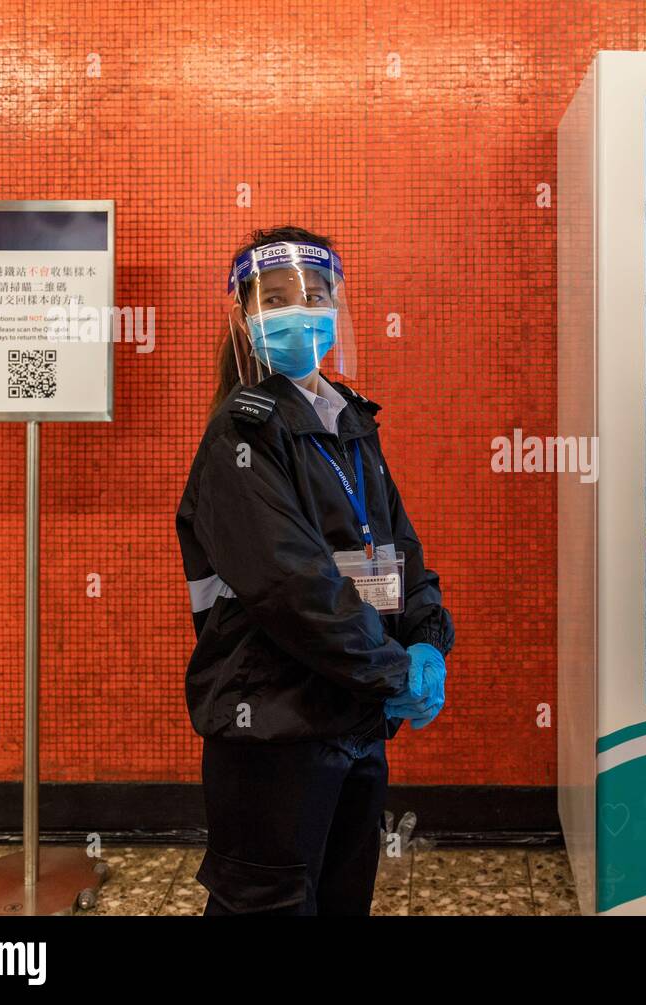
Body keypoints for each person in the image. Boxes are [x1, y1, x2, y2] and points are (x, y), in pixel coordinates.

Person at [175, 226, 453, 915]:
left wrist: (426, 636)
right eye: (275, 298)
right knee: (268, 904)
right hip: (273, 730)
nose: (301, 310)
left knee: (340, 898)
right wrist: (392, 674)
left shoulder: (353, 423)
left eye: (316, 295)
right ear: (246, 318)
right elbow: (292, 588)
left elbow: (400, 553)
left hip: (354, 722)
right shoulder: (239, 441)